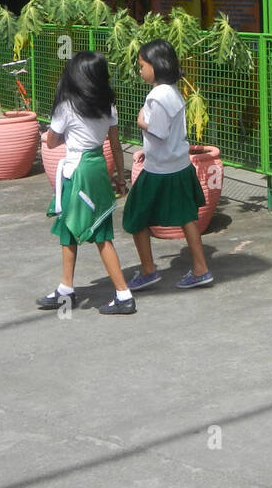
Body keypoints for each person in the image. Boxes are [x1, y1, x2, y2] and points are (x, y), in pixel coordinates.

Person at [36, 51, 134, 315]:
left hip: (77, 172)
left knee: (99, 235)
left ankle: (124, 294)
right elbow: (114, 145)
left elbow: (52, 142)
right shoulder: (108, 105)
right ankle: (65, 288)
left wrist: (48, 132)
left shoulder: (66, 106)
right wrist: (121, 180)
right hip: (98, 167)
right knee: (73, 229)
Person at [123, 40, 214, 291]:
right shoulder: (173, 91)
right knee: (187, 218)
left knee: (134, 216)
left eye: (142, 65)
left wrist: (141, 121)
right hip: (178, 164)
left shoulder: (157, 96)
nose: (140, 70)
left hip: (160, 170)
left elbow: (159, 131)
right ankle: (200, 268)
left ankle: (148, 270)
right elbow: (169, 133)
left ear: (156, 66)